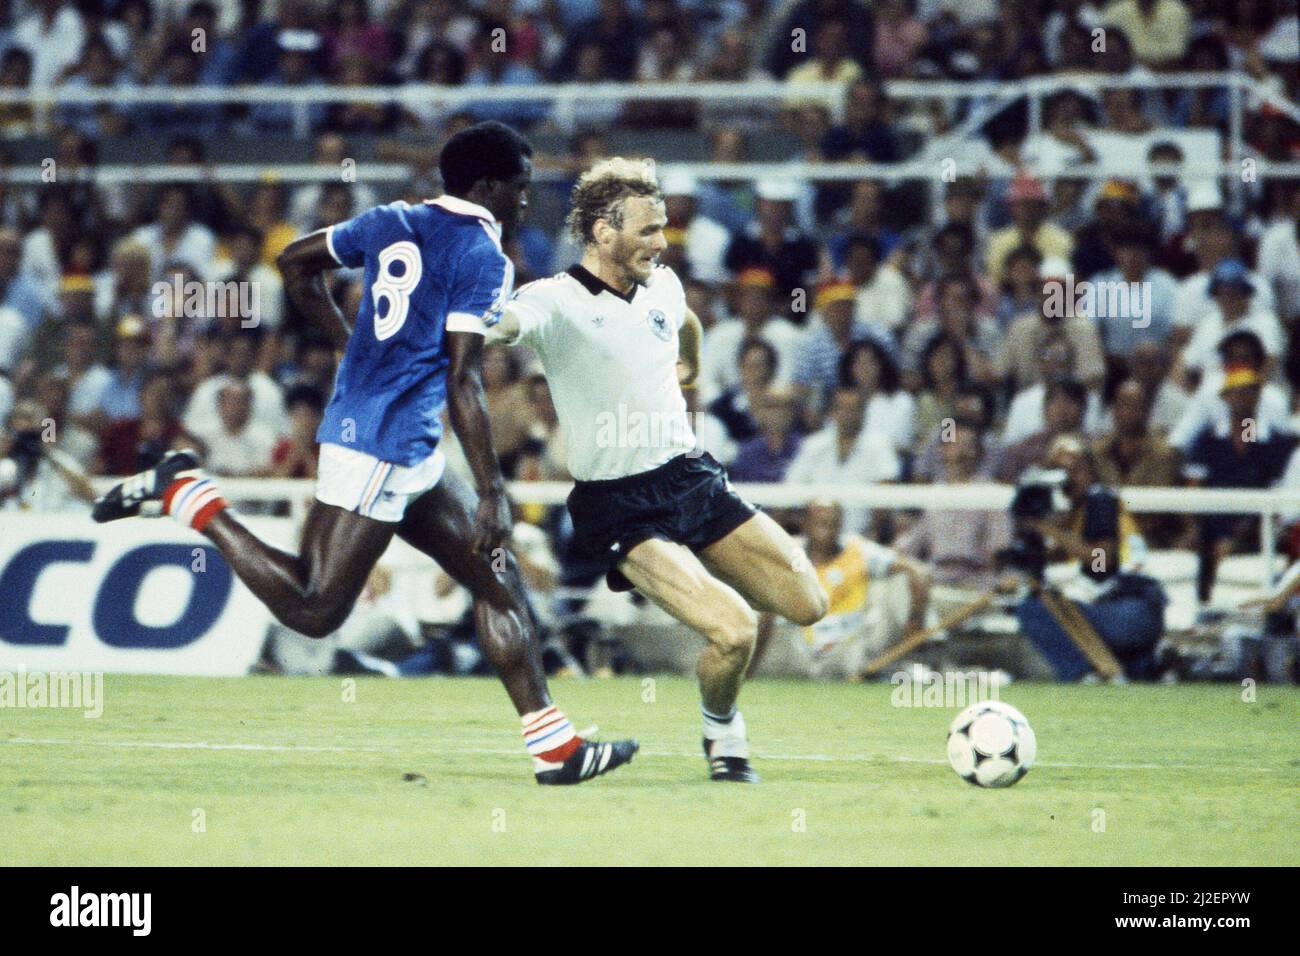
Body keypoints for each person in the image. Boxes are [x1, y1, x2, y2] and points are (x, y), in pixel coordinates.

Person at [92, 121, 636, 786]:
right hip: (385, 442)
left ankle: (555, 749)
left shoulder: (392, 219)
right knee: (316, 610)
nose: (527, 200)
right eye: (520, 188)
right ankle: (188, 496)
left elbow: (295, 263)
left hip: (386, 431)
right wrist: (494, 489)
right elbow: (464, 378)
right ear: (489, 186)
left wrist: (350, 343)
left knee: (499, 577)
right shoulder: (482, 256)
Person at [485, 158, 829, 782]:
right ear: (601, 231)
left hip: (690, 477)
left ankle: (718, 683)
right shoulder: (554, 301)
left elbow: (686, 328)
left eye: (661, 227)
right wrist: (466, 314)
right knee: (733, 630)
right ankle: (723, 733)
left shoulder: (664, 287)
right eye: (646, 229)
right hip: (619, 504)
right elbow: (502, 324)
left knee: (809, 603)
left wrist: (688, 371)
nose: (660, 241)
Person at [1012, 434, 1167, 681]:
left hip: (1130, 608)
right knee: (1036, 604)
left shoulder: (1100, 499)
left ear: (1089, 469)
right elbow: (1063, 560)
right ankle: (1129, 669)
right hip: (1120, 607)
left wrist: (1045, 527)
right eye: (1058, 469)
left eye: (1073, 469)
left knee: (1033, 612)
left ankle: (1086, 674)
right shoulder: (1076, 511)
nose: (1067, 478)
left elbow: (1099, 560)